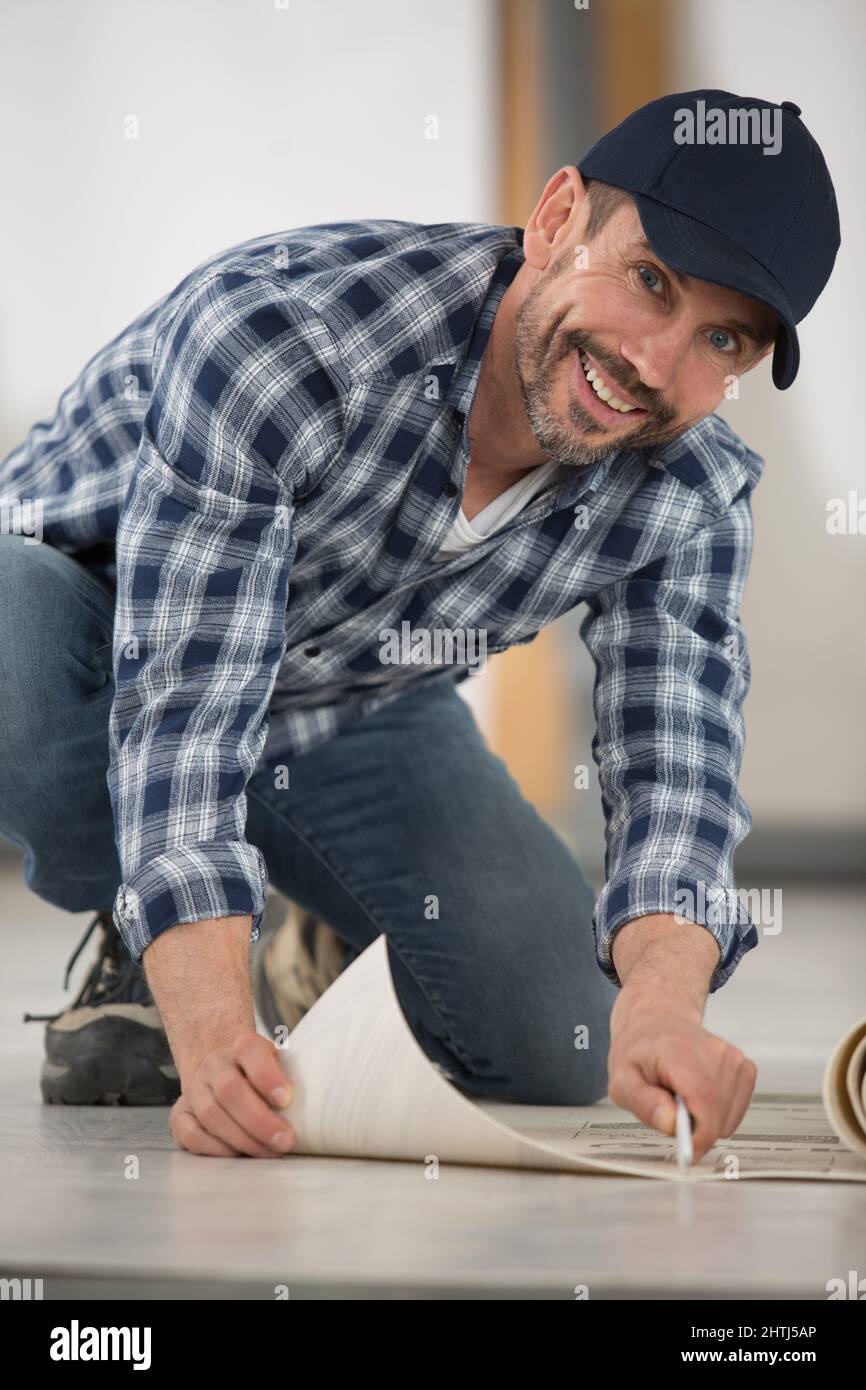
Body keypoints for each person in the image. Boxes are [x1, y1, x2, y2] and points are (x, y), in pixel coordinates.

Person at [0, 89, 839, 1161]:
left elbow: (677, 767)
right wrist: (214, 1031)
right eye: (648, 281)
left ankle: (313, 933)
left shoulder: (693, 492)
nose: (654, 365)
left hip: (348, 703)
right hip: (104, 643)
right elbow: (184, 707)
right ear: (555, 219)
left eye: (719, 338)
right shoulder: (285, 335)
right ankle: (146, 937)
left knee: (561, 1042)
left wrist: (663, 1009)